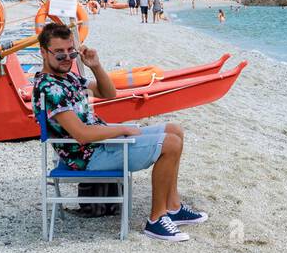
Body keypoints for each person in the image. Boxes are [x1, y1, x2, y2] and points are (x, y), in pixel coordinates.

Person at [31, 22, 206, 241]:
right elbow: (82, 135)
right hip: (88, 157)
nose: (67, 58)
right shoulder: (50, 88)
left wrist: (95, 65)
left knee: (175, 130)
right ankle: (156, 220)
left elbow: (109, 92)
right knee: (170, 143)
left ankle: (173, 206)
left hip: (101, 144)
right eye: (59, 53)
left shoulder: (68, 78)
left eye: (71, 52)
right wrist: (121, 129)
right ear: (44, 53)